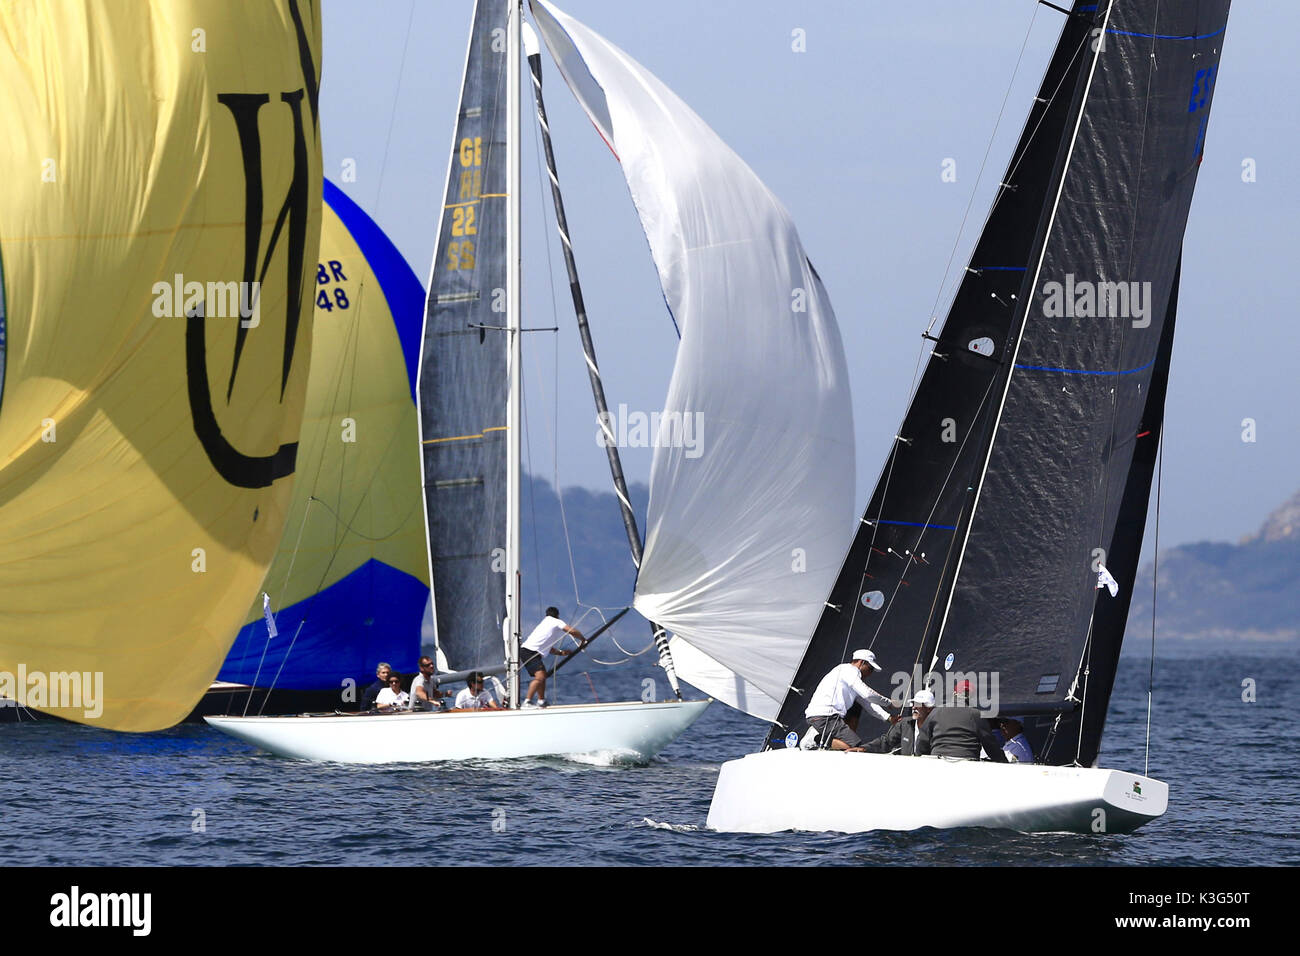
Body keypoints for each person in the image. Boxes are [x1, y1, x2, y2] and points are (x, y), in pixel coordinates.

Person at [803, 649, 894, 751]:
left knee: (851, 747)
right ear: (862, 662)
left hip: (825, 717)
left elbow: (868, 703)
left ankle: (819, 740)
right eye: (870, 669)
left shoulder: (849, 677)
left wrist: (889, 718)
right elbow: (868, 694)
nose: (870, 673)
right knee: (854, 746)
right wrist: (889, 703)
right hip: (826, 717)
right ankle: (815, 739)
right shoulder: (849, 670)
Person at [915, 679, 1006, 762]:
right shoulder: (976, 714)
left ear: (954, 693)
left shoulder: (936, 711)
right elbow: (991, 746)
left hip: (938, 762)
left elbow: (922, 742)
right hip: (967, 763)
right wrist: (1005, 762)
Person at [519, 606, 583, 708]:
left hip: (528, 651)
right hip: (529, 652)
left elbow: (548, 648)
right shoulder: (555, 621)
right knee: (540, 677)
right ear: (557, 615)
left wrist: (561, 653)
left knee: (543, 676)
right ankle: (527, 702)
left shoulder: (545, 623)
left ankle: (541, 701)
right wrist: (583, 639)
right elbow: (572, 631)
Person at [864, 688, 936, 755]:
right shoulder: (904, 724)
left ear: (929, 709)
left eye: (918, 704)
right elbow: (885, 742)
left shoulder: (938, 728)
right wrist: (864, 748)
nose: (914, 707)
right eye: (913, 704)